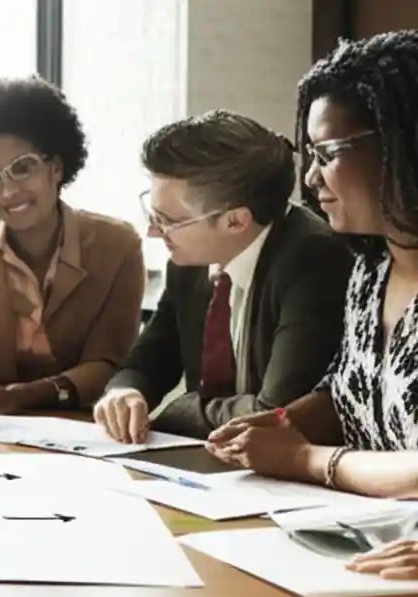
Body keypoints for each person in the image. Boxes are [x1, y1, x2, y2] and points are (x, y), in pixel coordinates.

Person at [207, 31, 418, 579]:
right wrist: (277, 423)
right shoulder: (371, 270)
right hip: (371, 546)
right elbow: (350, 392)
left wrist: (303, 459)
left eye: (328, 154)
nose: (310, 178)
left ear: (403, 142)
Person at [95, 111, 351, 442]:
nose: (154, 232)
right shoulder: (190, 257)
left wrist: (180, 409)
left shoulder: (314, 260)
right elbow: (150, 359)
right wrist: (125, 393)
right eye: (153, 214)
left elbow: (275, 412)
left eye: (168, 220)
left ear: (235, 221)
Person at [0, 77, 145, 411]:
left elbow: (109, 364)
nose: (8, 191)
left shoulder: (117, 244)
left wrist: (22, 395)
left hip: (88, 423)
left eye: (23, 168)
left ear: (56, 167)